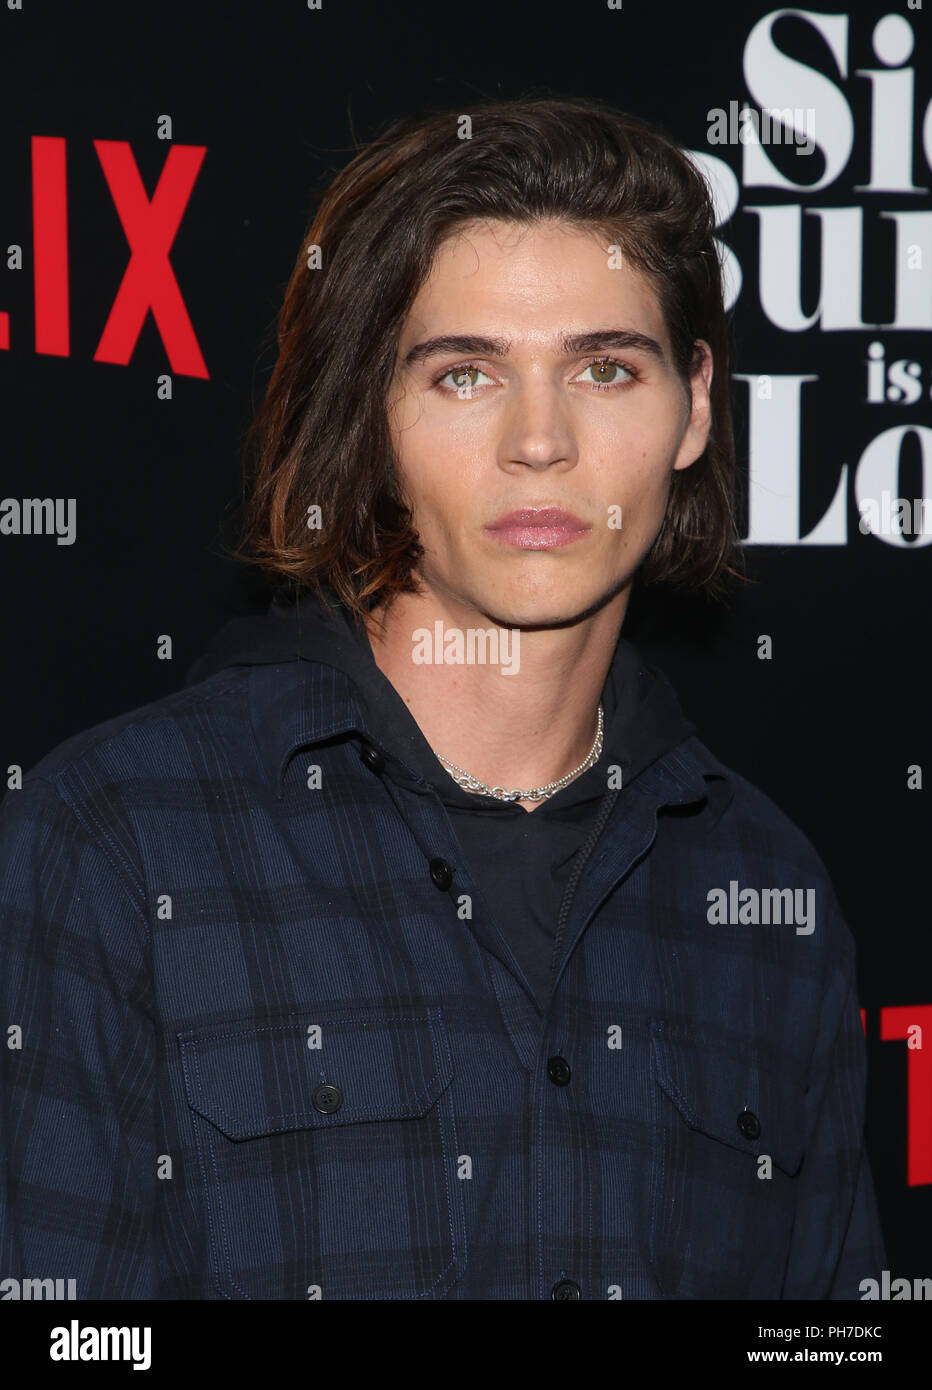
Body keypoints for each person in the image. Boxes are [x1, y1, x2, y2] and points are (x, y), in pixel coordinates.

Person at [0, 96, 885, 1300]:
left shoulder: (767, 900)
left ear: (691, 409)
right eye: (466, 374)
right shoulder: (110, 844)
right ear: (369, 414)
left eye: (604, 368)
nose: (539, 441)